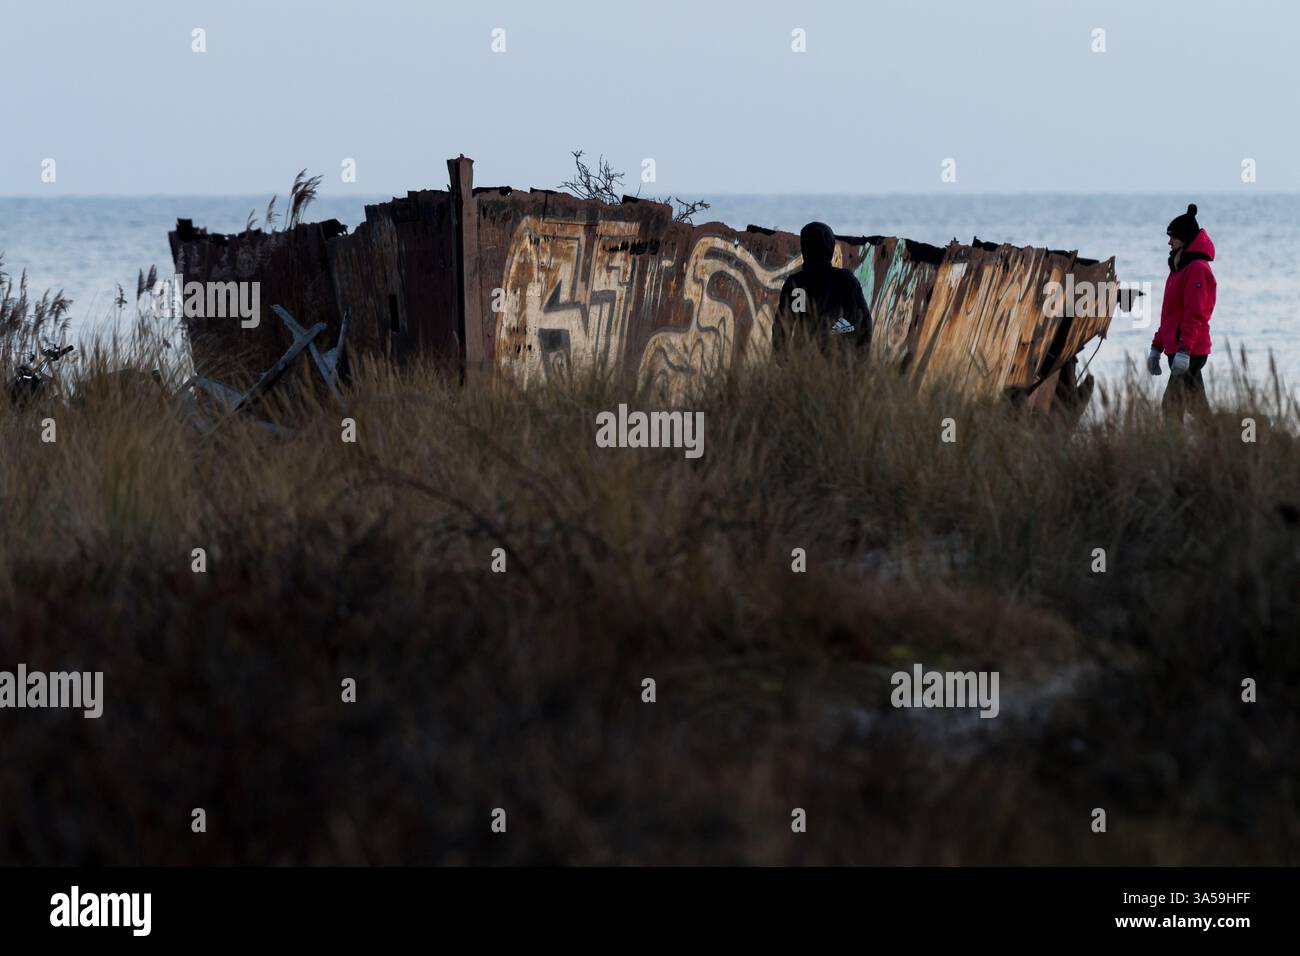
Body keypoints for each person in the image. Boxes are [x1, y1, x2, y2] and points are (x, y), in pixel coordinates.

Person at [1148, 203, 1215, 420]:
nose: (1169, 241)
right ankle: (1221, 442)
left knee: (1171, 405)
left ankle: (1171, 452)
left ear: (1185, 238)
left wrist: (1184, 350)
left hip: (1191, 351)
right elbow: (1170, 316)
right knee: (1197, 408)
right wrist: (1156, 347)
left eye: (1173, 237)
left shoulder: (1196, 268)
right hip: (1178, 349)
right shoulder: (1178, 269)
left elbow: (1194, 314)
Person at [773, 221, 873, 354]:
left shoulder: (796, 283)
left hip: (805, 361)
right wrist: (861, 358)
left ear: (805, 248)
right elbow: (865, 320)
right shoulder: (846, 280)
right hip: (843, 360)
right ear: (831, 248)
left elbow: (783, 326)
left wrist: (783, 359)